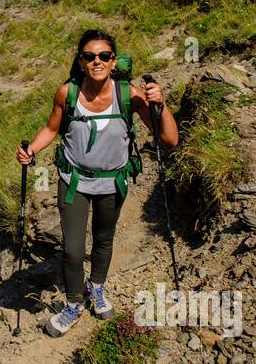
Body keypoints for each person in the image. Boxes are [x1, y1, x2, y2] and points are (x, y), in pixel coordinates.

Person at [16, 29, 178, 336]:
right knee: (74, 250)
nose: (97, 62)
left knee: (104, 239)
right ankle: (74, 303)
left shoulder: (129, 94)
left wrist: (162, 104)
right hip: (74, 180)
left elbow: (169, 138)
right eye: (89, 56)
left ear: (113, 60)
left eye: (104, 56)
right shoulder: (68, 92)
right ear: (80, 61)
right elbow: (52, 128)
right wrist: (31, 150)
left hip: (113, 182)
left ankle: (97, 287)